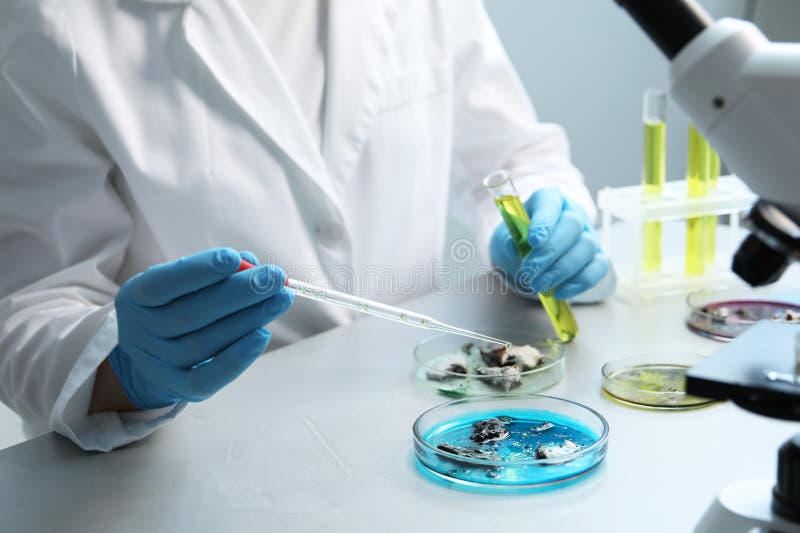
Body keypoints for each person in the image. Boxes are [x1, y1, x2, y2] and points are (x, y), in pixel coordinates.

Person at [0, 0, 612, 452]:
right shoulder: (50, 20)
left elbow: (510, 157)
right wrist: (124, 370)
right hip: (201, 454)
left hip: (436, 423)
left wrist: (543, 210)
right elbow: (31, 305)